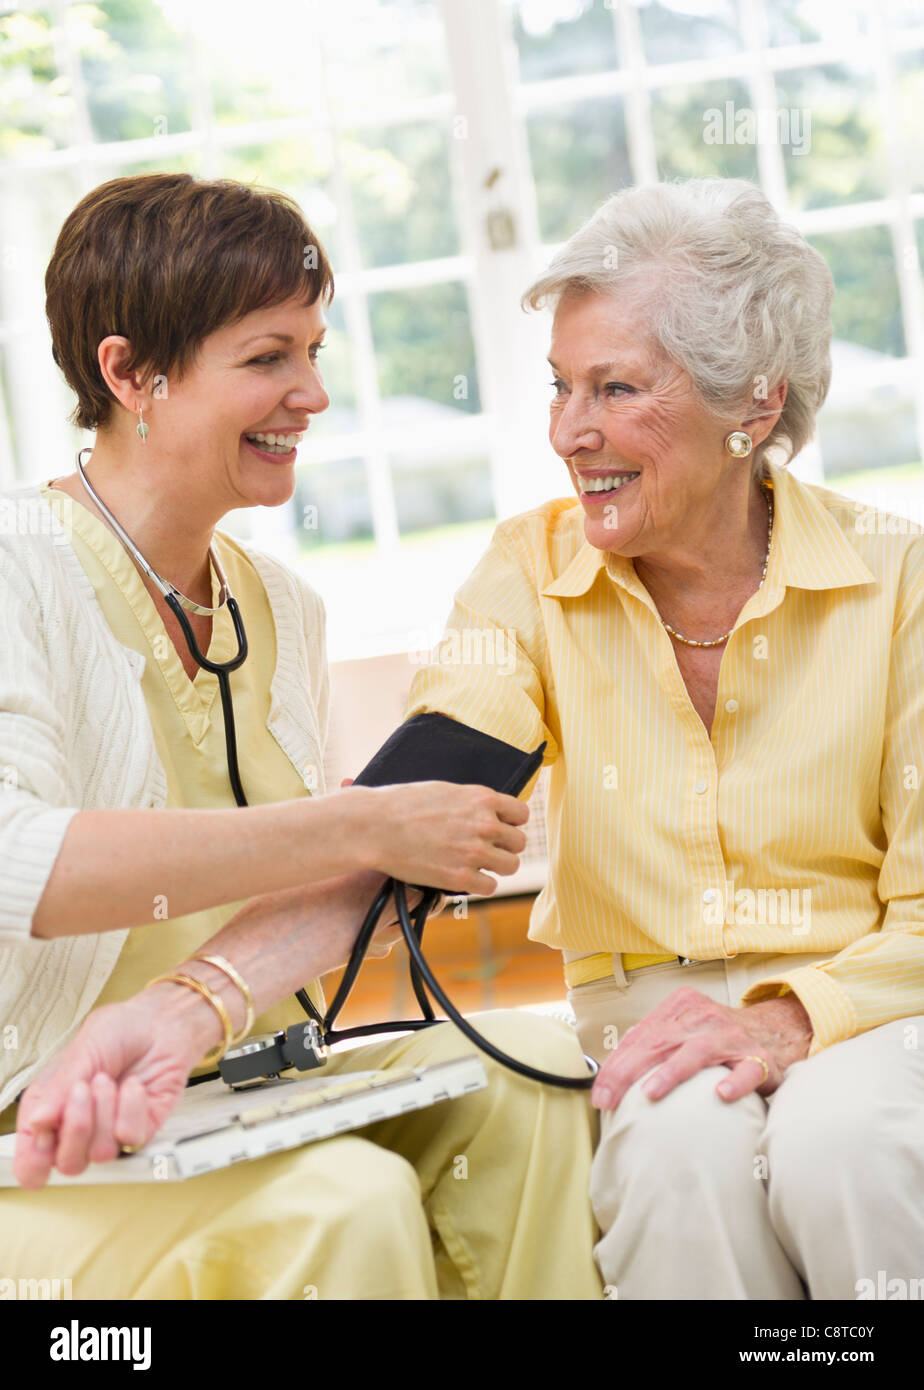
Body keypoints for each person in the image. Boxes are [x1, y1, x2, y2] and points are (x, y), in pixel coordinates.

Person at [0, 172, 602, 1301]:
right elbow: (17, 861)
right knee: (348, 1205)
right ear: (131, 373)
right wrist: (361, 819)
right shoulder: (15, 566)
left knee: (537, 1079)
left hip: (236, 1076)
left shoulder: (278, 604)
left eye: (315, 351)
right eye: (268, 357)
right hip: (39, 1122)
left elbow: (310, 882)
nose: (313, 394)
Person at [406, 177, 924, 1300]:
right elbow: (429, 778)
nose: (566, 431)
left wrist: (794, 1018)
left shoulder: (901, 579)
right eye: (559, 387)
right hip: (641, 1009)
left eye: (616, 388)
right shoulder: (530, 572)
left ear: (752, 403)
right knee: (675, 1156)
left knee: (852, 1148)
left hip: (874, 996)